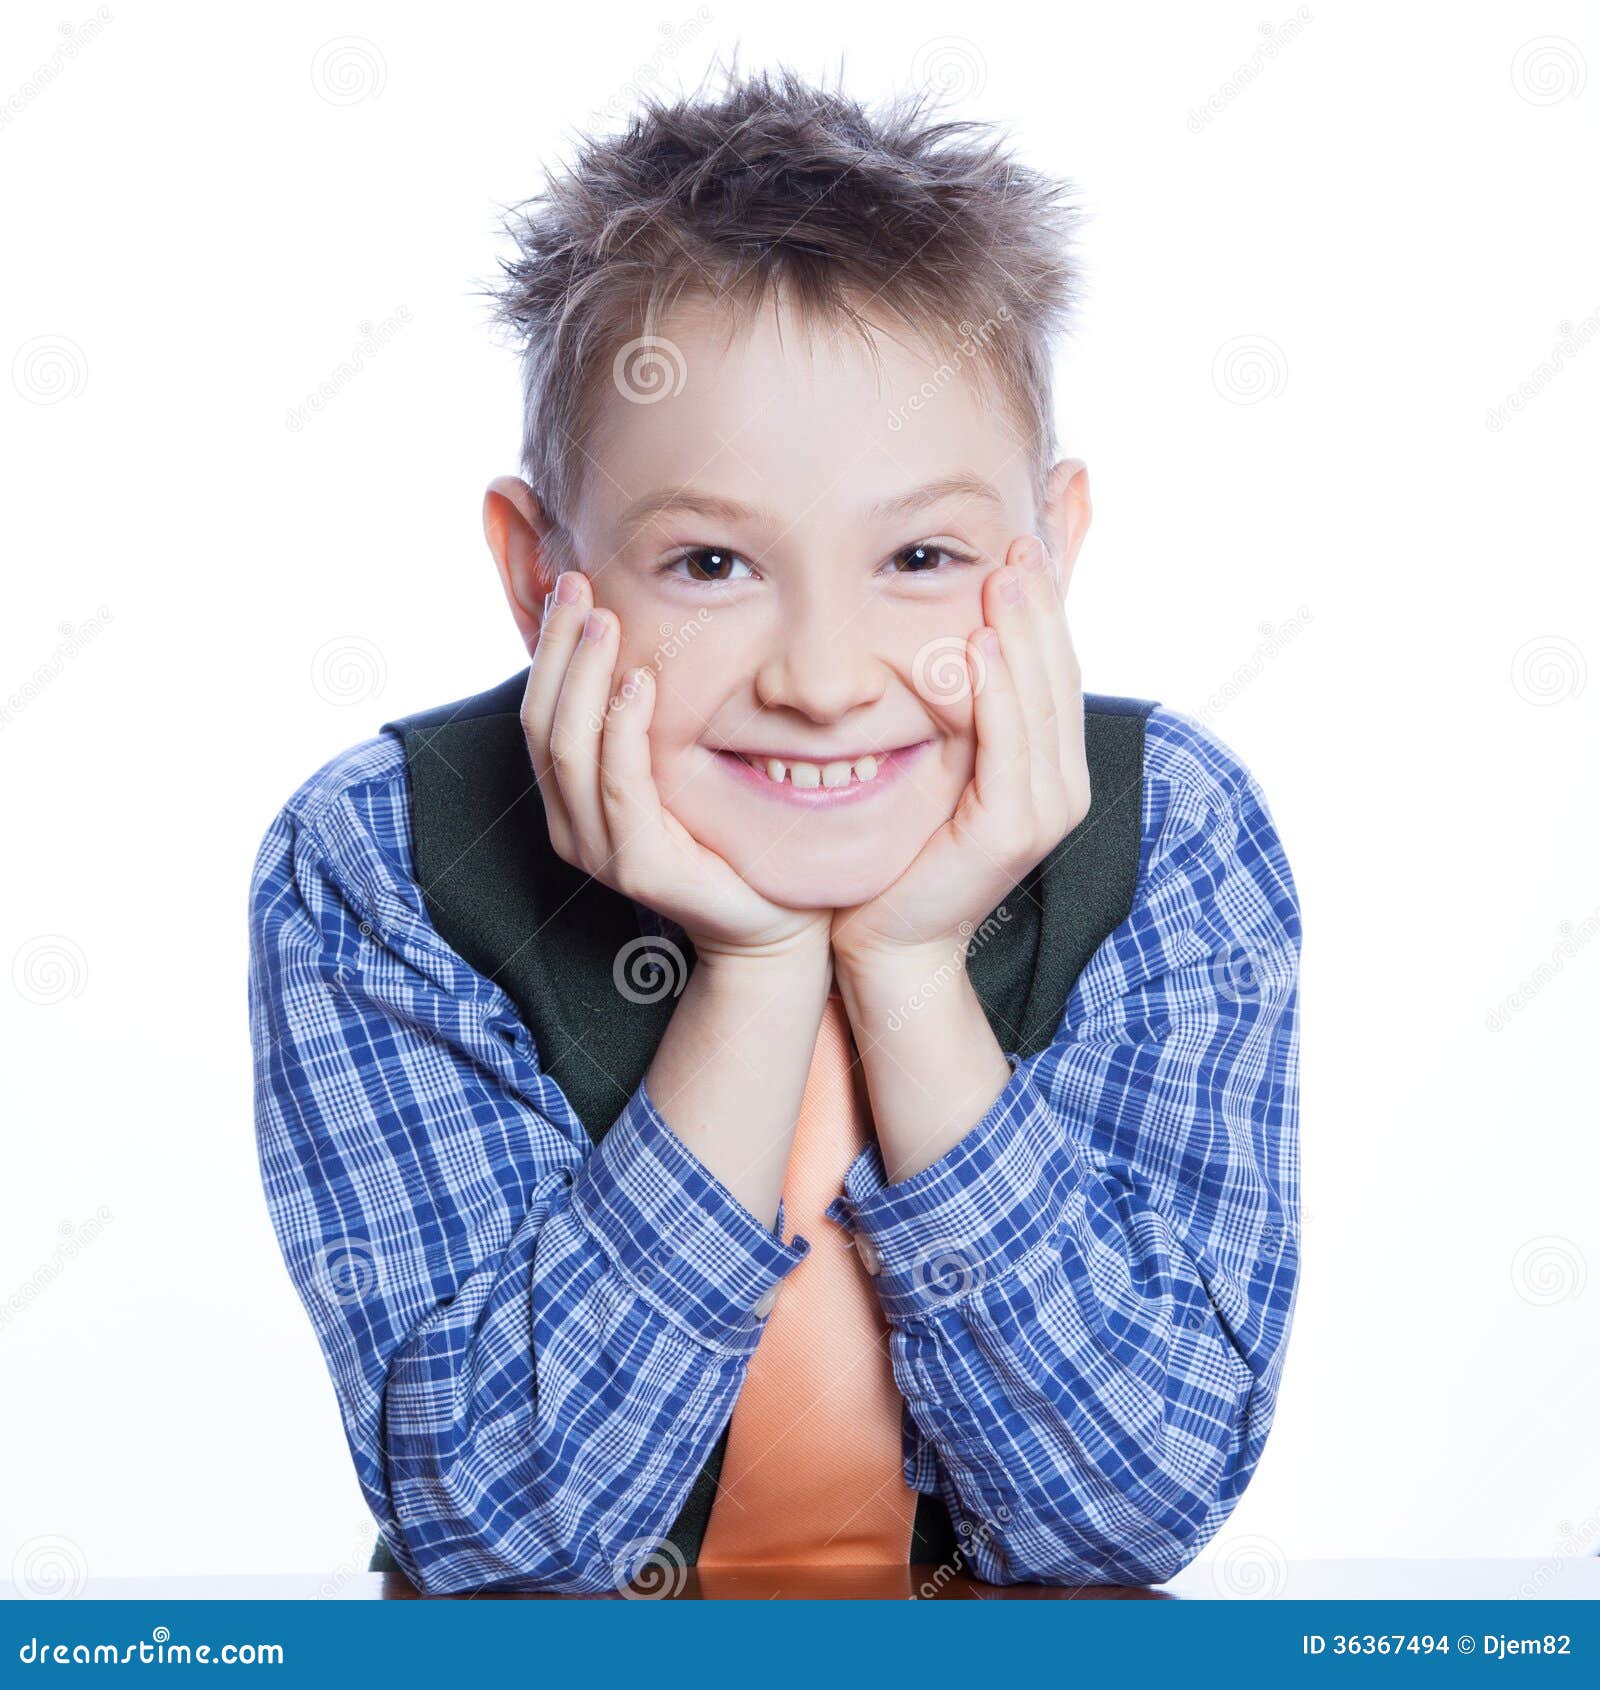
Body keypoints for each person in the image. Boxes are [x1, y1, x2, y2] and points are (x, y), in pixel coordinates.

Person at [248, 65, 1302, 1597]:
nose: (819, 680)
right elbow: (500, 1537)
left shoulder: (1172, 842)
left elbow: (1130, 1511)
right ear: (544, 571)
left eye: (923, 554)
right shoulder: (379, 866)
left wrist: (918, 975)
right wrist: (750, 976)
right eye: (713, 562)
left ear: (1050, 554)